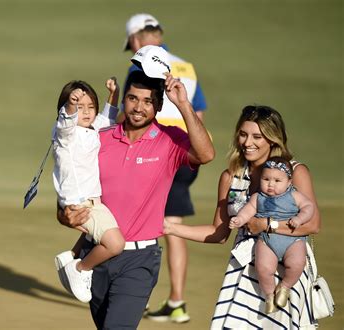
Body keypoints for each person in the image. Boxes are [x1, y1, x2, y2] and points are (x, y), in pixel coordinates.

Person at [57, 55, 215, 329]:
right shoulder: (100, 138)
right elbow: (73, 184)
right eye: (132, 98)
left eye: (147, 101)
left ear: (159, 105)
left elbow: (206, 154)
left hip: (139, 260)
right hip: (96, 254)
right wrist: (63, 216)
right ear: (124, 99)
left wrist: (184, 105)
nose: (138, 107)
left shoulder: (169, 140)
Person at [163, 105, 321, 328]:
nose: (247, 142)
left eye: (257, 136)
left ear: (273, 140)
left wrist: (266, 225)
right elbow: (218, 233)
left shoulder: (294, 172)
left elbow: (313, 224)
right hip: (243, 271)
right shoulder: (231, 177)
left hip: (288, 272)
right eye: (243, 134)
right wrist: (168, 227)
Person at [121, 13, 208, 323]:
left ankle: (129, 295)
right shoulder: (185, 67)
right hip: (185, 152)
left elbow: (129, 117)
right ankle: (177, 301)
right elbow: (198, 116)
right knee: (172, 224)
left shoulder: (139, 66)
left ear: (135, 39)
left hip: (154, 150)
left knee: (132, 221)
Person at [52, 78, 126, 303]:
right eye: (78, 106)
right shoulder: (66, 133)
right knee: (116, 244)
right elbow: (65, 121)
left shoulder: (93, 127)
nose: (86, 112)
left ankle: (71, 255)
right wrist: (70, 106)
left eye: (90, 106)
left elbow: (107, 117)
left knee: (97, 232)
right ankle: (80, 268)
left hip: (92, 201)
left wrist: (114, 94)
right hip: (79, 202)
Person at [229, 156, 314, 314]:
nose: (270, 184)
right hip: (267, 241)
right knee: (263, 267)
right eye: (266, 179)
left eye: (277, 180)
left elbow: (309, 207)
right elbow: (247, 211)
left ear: (289, 182)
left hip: (293, 240)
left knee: (297, 263)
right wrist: (239, 219)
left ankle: (285, 287)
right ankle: (269, 295)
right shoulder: (258, 197)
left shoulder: (293, 195)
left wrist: (299, 218)